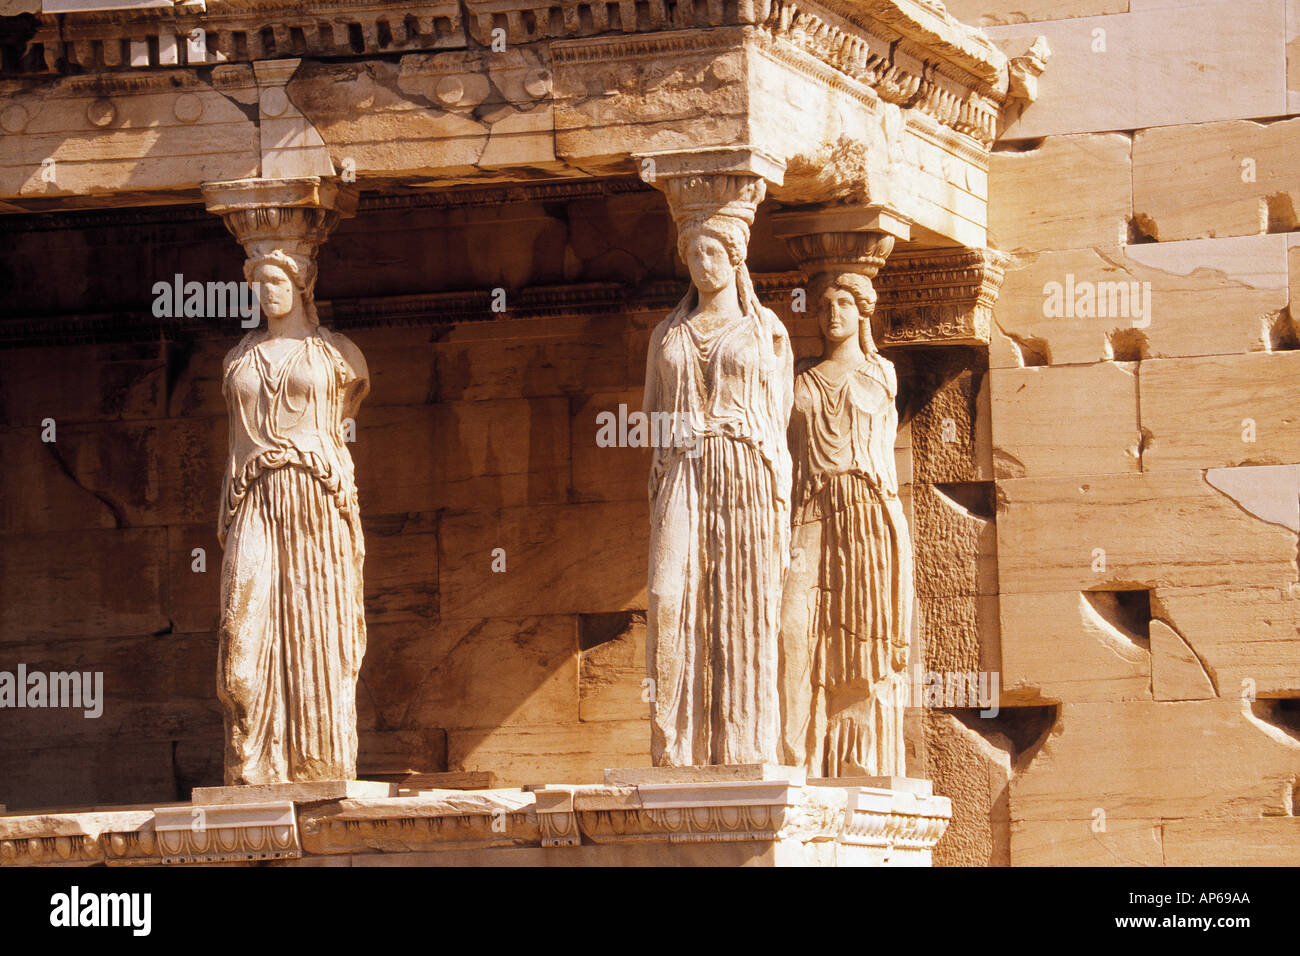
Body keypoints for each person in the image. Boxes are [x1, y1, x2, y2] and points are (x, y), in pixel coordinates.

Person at [217, 248, 369, 784]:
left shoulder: (339, 355)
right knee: (241, 641)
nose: (267, 291)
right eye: (259, 282)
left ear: (302, 285)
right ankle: (255, 762)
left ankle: (316, 763)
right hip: (253, 498)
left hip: (315, 495)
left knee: (318, 623)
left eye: (278, 279)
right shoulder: (238, 359)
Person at [780, 270, 912, 777]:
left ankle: (855, 756)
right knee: (791, 624)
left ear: (863, 312)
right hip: (809, 510)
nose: (832, 314)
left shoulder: (882, 374)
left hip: (866, 511)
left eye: (843, 303)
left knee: (863, 637)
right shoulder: (798, 377)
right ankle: (793, 752)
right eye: (822, 305)